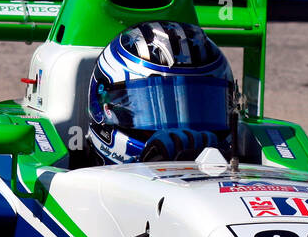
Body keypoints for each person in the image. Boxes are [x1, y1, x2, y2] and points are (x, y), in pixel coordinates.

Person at [86, 20, 236, 163]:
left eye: (200, 108)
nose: (183, 137)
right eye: (150, 114)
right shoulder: (68, 181)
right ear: (104, 110)